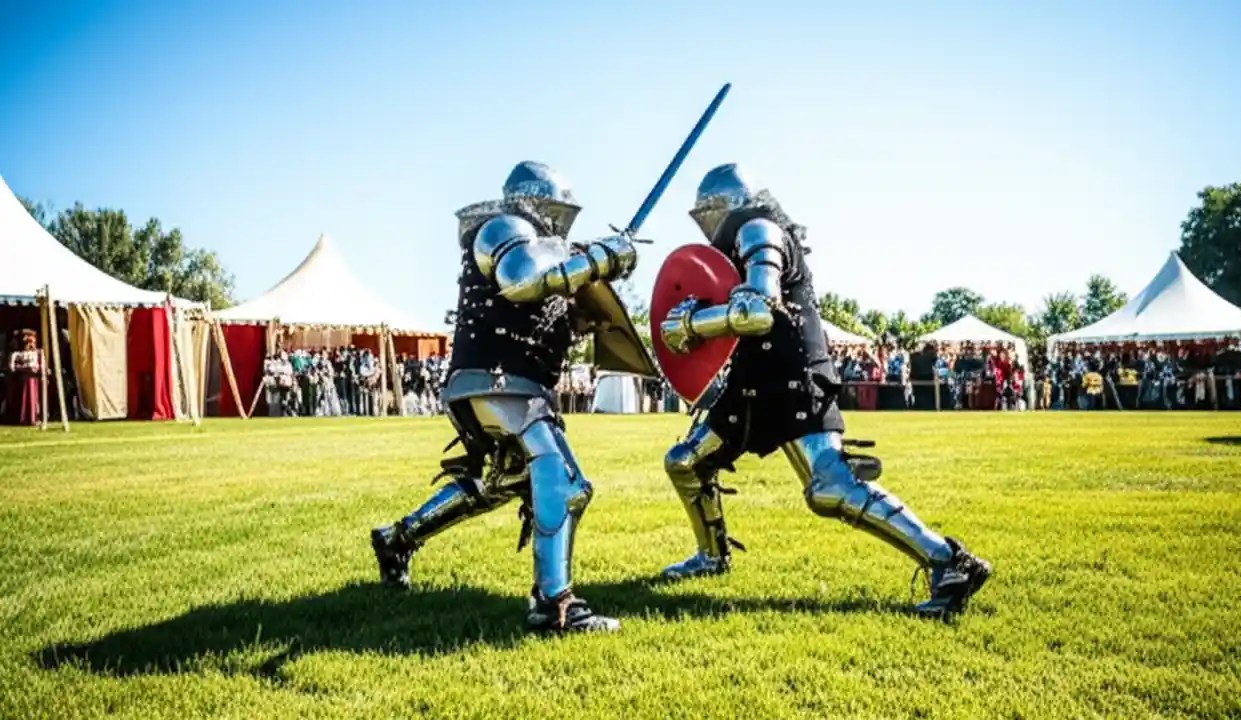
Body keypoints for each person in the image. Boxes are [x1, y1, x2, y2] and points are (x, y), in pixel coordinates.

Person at [656, 164, 990, 618]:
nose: (707, 222)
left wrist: (691, 324)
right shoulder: (736, 249)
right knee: (686, 462)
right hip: (750, 385)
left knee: (831, 488)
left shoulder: (759, 229)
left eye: (709, 211)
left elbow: (757, 309)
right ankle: (711, 557)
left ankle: (949, 561)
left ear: (728, 206)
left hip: (794, 381)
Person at [370, 161, 637, 633]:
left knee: (503, 484)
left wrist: (596, 285)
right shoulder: (503, 227)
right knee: (566, 484)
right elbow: (520, 279)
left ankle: (397, 538)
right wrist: (599, 259)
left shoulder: (549, 252)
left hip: (506, 387)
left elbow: (551, 310)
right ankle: (553, 604)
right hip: (502, 384)